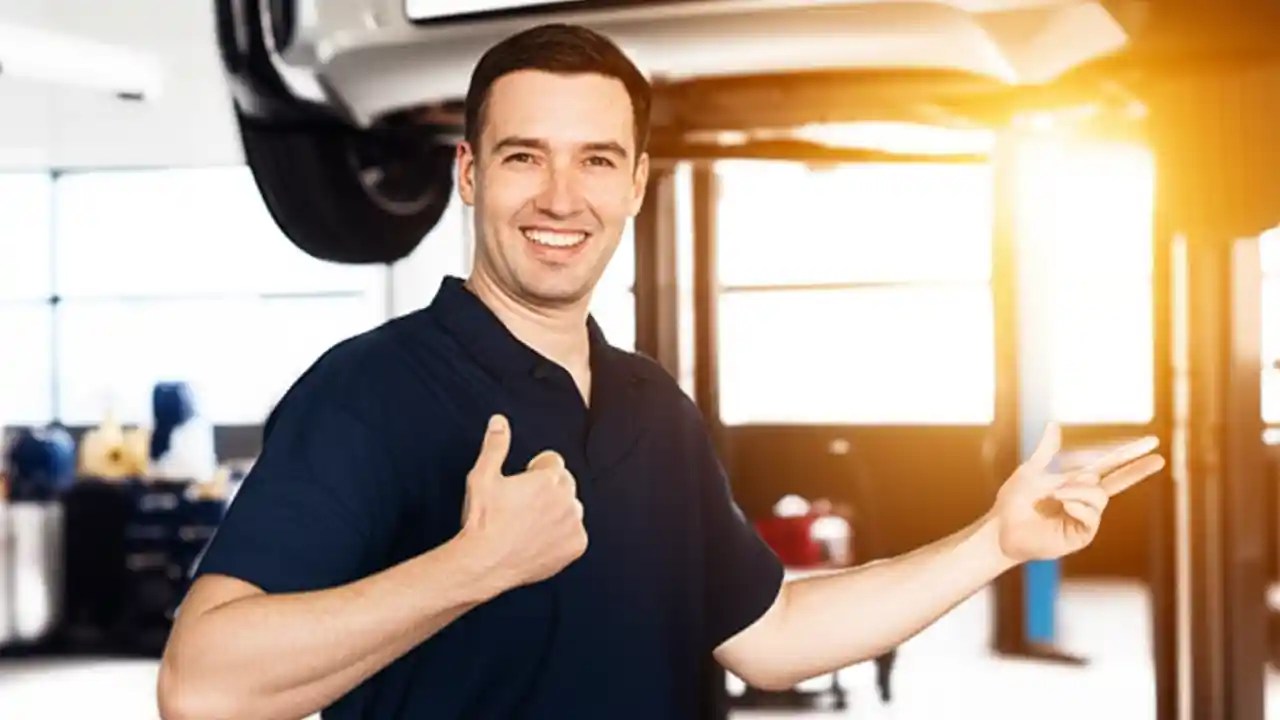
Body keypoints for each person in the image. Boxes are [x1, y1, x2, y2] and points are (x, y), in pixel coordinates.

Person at [156, 23, 1166, 720]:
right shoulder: (366, 393)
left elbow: (766, 635)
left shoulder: (651, 404)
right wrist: (470, 570)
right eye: (523, 157)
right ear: (468, 175)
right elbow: (203, 687)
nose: (561, 196)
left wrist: (993, 539)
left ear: (636, 183)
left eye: (597, 159)